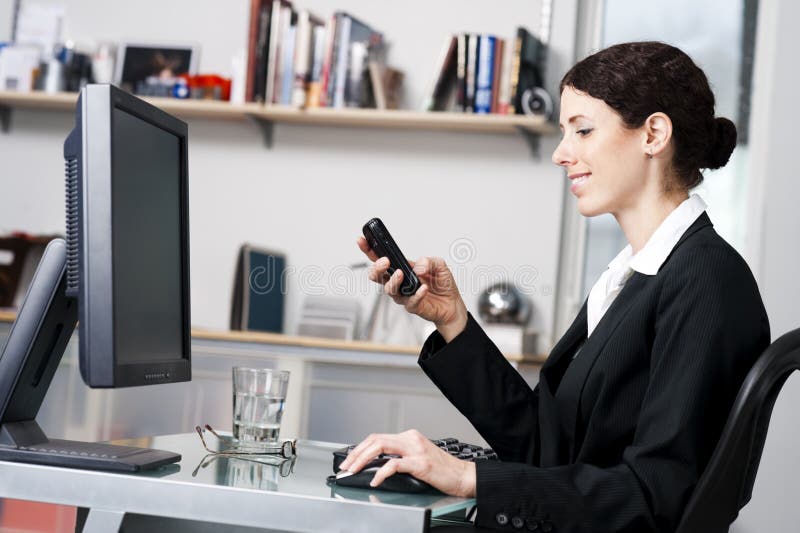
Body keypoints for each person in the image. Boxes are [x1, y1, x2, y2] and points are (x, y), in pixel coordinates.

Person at [343, 41, 770, 532]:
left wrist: (469, 477)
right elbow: (549, 447)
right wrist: (452, 321)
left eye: (582, 130)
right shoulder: (635, 274)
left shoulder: (705, 282)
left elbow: (653, 499)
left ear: (653, 133)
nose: (561, 153)